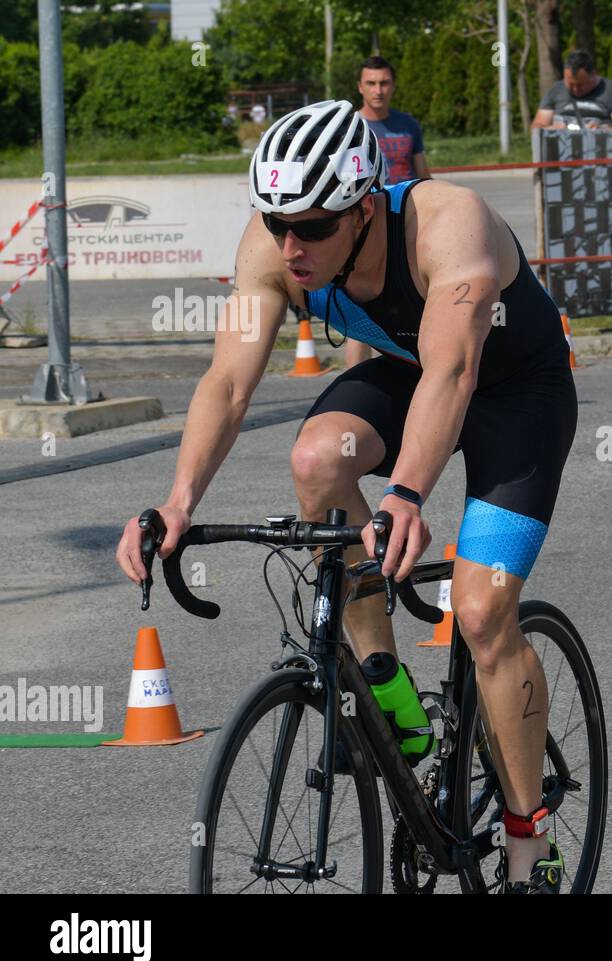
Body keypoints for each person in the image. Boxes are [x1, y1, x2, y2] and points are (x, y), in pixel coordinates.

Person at [115, 100, 577, 893]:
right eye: (276, 220)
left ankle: (531, 836)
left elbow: (455, 373)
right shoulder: (278, 246)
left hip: (516, 393)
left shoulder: (447, 224)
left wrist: (404, 493)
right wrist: (179, 500)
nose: (291, 245)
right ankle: (389, 692)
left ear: (366, 207)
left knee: (480, 611)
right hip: (409, 374)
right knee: (316, 459)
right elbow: (228, 381)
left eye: (314, 227)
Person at [347, 56, 434, 370]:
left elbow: (423, 175)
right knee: (360, 309)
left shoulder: (408, 125)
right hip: (365, 228)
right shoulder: (351, 127)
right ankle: (355, 382)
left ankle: (423, 373)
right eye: (371, 83)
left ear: (393, 85)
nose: (378, 90)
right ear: (360, 87)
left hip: (407, 223)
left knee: (419, 300)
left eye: (384, 82)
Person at [530, 50, 612, 131]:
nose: (575, 89)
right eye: (570, 84)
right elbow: (536, 127)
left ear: (593, 75)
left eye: (581, 85)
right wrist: (551, 130)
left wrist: (602, 131)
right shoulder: (555, 90)